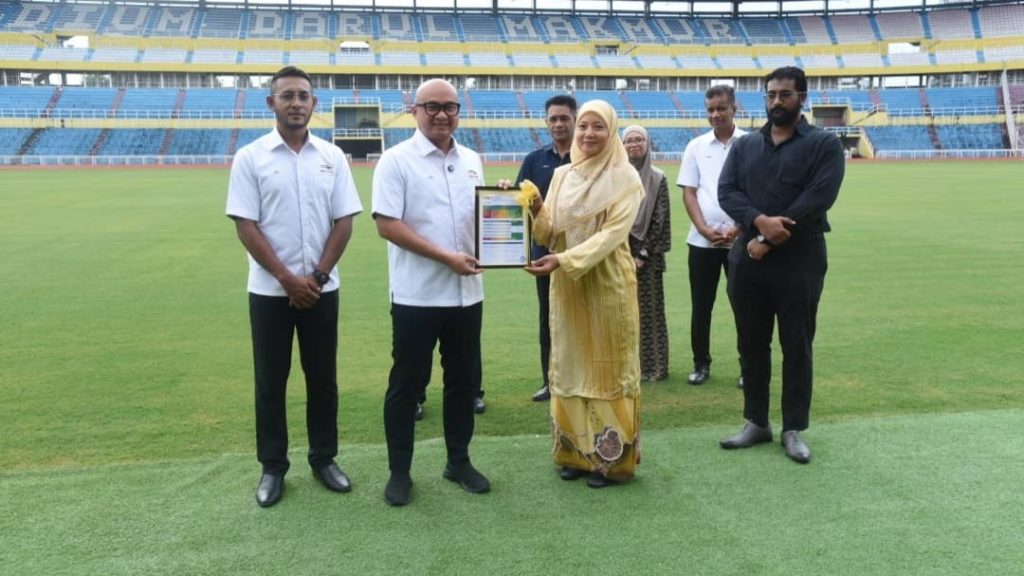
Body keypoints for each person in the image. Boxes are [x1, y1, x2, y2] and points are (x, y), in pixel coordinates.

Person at [225, 66, 362, 508]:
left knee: (323, 379)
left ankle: (324, 459)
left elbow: (344, 221)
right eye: (287, 95)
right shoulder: (251, 157)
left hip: (322, 290)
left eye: (303, 95)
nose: (296, 103)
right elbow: (245, 225)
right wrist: (287, 279)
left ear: (314, 104)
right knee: (271, 381)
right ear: (272, 103)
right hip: (270, 293)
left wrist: (317, 277)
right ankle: (273, 467)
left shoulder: (332, 157)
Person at [372, 78, 491, 506]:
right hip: (416, 297)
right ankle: (399, 472)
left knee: (462, 384)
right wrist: (446, 258)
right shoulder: (395, 161)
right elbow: (388, 224)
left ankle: (458, 461)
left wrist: (506, 212)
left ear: (459, 112)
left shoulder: (472, 159)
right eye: (432, 106)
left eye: (450, 107)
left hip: (466, 295)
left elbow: (479, 219)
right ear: (414, 111)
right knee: (407, 386)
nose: (442, 114)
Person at [717, 66, 845, 464]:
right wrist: (759, 222)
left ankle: (793, 428)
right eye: (771, 94)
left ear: (802, 98)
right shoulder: (745, 146)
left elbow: (818, 198)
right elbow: (727, 191)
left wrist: (767, 240)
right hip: (748, 263)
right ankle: (756, 421)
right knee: (751, 345)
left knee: (797, 345)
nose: (776, 101)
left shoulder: (823, 144)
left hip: (800, 260)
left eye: (785, 94)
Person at [525, 100, 643, 488]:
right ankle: (574, 454)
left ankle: (611, 461)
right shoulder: (562, 176)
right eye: (584, 127)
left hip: (608, 285)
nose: (589, 134)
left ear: (611, 132)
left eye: (598, 127)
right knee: (571, 364)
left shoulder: (626, 178)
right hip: (568, 288)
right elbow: (548, 233)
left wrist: (563, 260)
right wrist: (534, 206)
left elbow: (612, 236)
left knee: (607, 367)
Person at [678, 85, 747, 387]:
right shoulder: (696, 146)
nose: (715, 114)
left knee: (745, 306)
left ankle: (748, 366)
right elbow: (689, 192)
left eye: (721, 108)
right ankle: (700, 363)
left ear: (734, 108)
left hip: (741, 240)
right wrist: (704, 228)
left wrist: (739, 228)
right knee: (701, 306)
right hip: (702, 241)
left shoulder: (751, 143)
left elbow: (757, 191)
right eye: (710, 110)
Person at [513, 94, 577, 402]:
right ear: (546, 122)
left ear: (575, 119)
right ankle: (549, 381)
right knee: (548, 319)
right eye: (553, 118)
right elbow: (518, 207)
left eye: (564, 118)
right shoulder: (533, 160)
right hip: (543, 256)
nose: (559, 124)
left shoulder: (589, 157)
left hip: (579, 254)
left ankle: (580, 381)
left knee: (582, 318)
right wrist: (505, 192)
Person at [622, 125, 671, 382]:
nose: (634, 144)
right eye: (628, 140)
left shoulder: (658, 178)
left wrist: (642, 254)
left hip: (648, 257)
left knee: (650, 313)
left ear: (647, 143)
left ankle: (655, 368)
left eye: (639, 139)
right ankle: (627, 367)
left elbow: (660, 219)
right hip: (617, 254)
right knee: (620, 313)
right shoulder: (615, 176)